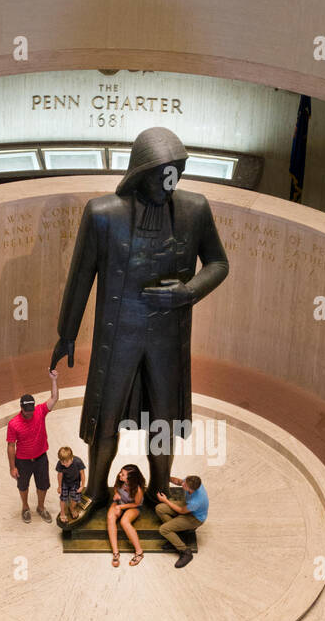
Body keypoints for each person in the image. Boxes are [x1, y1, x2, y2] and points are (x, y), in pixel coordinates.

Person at [50, 126, 229, 525]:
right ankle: (96, 491)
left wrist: (188, 292)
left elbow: (218, 262)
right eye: (162, 174)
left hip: (168, 337)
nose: (170, 183)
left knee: (163, 419)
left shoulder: (195, 209)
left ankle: (160, 486)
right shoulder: (103, 214)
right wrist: (66, 333)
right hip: (118, 335)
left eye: (177, 174)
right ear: (140, 172)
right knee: (106, 416)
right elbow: (81, 277)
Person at [7, 368, 59, 522]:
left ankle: (41, 507)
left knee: (43, 485)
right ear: (21, 408)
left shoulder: (40, 411)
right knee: (23, 486)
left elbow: (54, 398)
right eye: (27, 410)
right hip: (23, 461)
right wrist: (12, 467)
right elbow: (11, 446)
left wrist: (54, 380)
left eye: (31, 410)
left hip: (41, 458)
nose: (30, 413)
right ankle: (25, 507)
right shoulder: (14, 424)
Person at [155, 474, 208, 569]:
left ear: (191, 489)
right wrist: (166, 477)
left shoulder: (197, 501)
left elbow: (181, 511)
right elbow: (179, 481)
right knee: (160, 508)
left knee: (164, 529)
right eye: (185, 482)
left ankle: (185, 552)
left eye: (185, 485)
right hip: (187, 506)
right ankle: (177, 535)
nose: (183, 484)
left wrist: (165, 500)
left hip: (194, 518)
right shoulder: (192, 481)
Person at [107, 464, 145, 568]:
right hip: (120, 502)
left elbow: (136, 503)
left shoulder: (138, 489)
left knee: (124, 522)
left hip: (133, 506)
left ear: (130, 478)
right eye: (121, 472)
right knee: (110, 517)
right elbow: (115, 487)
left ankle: (139, 552)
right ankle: (115, 553)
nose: (120, 474)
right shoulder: (120, 480)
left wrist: (122, 507)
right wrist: (116, 494)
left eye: (123, 474)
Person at [55, 446, 86, 524]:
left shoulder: (78, 461)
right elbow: (60, 475)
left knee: (75, 498)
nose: (64, 464)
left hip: (75, 482)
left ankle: (72, 508)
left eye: (66, 462)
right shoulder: (60, 463)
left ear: (71, 457)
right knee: (63, 498)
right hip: (65, 482)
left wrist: (82, 485)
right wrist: (59, 486)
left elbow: (82, 474)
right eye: (62, 462)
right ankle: (62, 512)